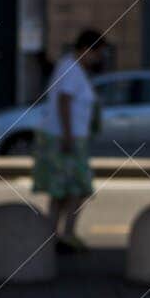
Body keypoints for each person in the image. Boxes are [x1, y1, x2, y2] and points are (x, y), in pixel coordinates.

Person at [35, 29, 106, 253]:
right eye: (97, 53)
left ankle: (55, 235)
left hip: (68, 136)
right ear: (86, 50)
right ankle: (65, 233)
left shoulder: (71, 67)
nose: (98, 58)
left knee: (64, 190)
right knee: (78, 187)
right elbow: (64, 101)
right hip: (66, 138)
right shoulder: (71, 69)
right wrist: (67, 136)